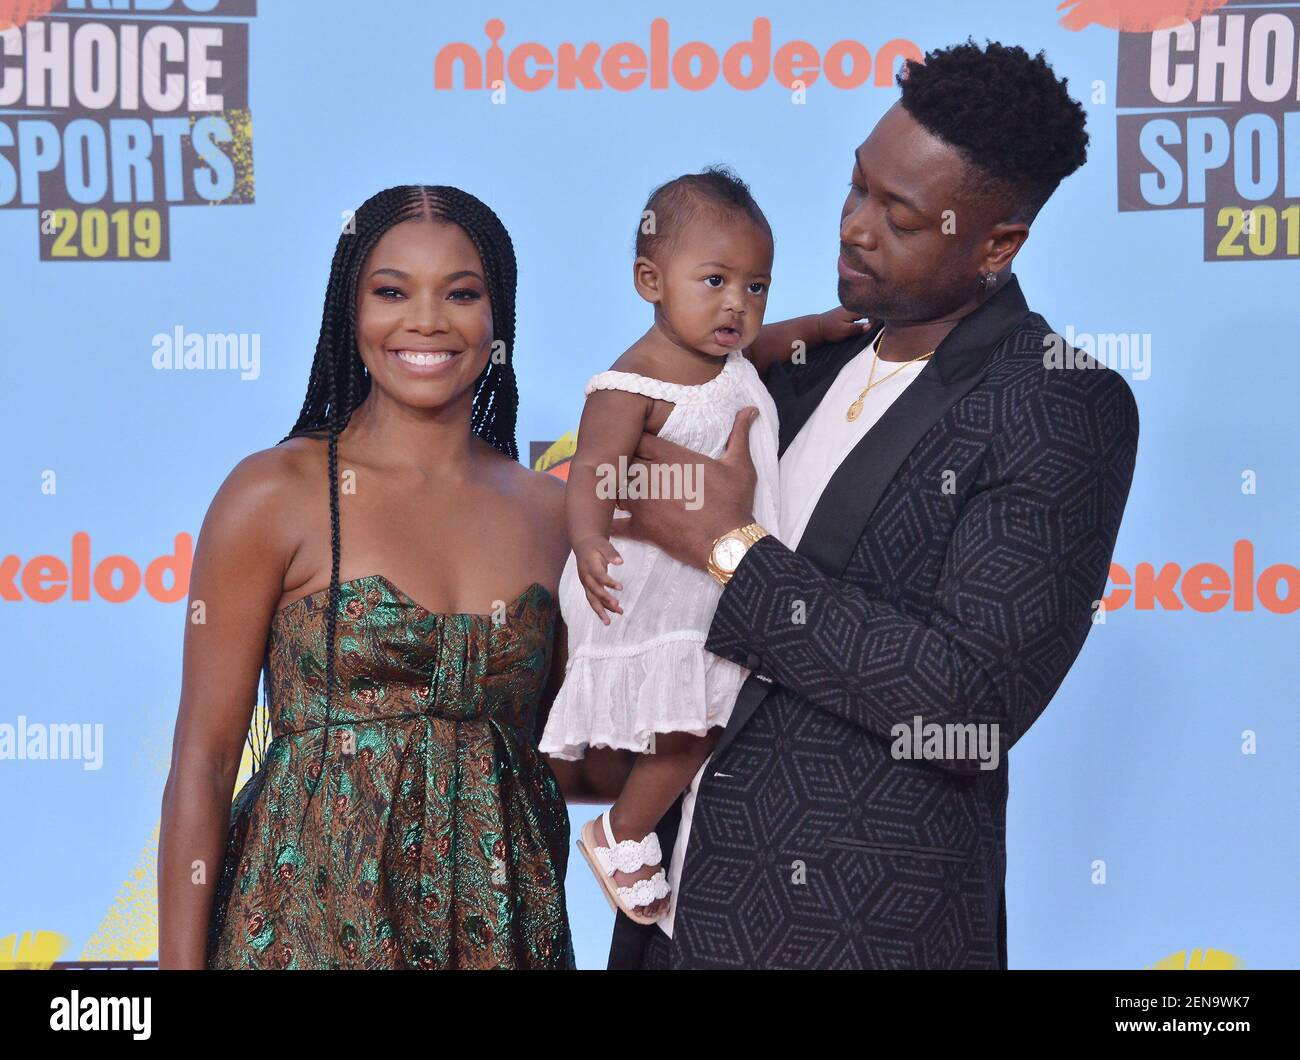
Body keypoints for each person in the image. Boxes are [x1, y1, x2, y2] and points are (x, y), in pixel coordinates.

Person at [605, 40, 1141, 968]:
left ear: (997, 244)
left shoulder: (1054, 399)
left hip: (850, 938)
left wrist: (731, 549)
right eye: (857, 188)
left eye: (897, 213)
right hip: (667, 917)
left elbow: (971, 700)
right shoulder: (797, 366)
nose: (854, 227)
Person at [159, 185, 593, 969]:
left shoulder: (552, 512)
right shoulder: (274, 493)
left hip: (503, 936)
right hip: (303, 933)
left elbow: (568, 757)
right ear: (347, 313)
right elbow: (205, 759)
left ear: (499, 319)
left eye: (461, 293)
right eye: (391, 292)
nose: (426, 320)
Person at [536, 166, 862, 924]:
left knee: (711, 716)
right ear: (651, 279)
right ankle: (622, 830)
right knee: (694, 723)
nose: (737, 307)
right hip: (649, 583)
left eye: (756, 287)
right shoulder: (632, 381)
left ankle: (640, 828)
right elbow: (595, 470)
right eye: (714, 281)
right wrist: (586, 539)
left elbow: (773, 346)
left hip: (713, 574)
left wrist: (816, 327)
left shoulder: (731, 359)